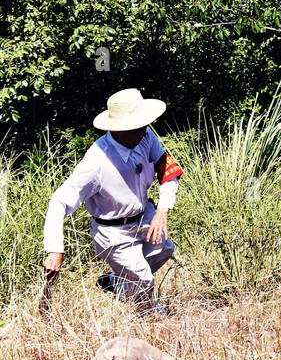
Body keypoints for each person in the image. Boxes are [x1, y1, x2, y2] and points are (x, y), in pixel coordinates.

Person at [42, 88, 182, 315]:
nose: (145, 128)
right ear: (119, 129)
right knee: (143, 280)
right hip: (112, 231)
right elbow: (58, 201)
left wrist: (162, 211)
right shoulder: (96, 162)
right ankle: (152, 320)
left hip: (144, 216)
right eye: (137, 125)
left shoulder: (146, 136)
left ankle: (117, 282)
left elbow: (168, 170)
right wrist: (55, 249)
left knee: (165, 249)